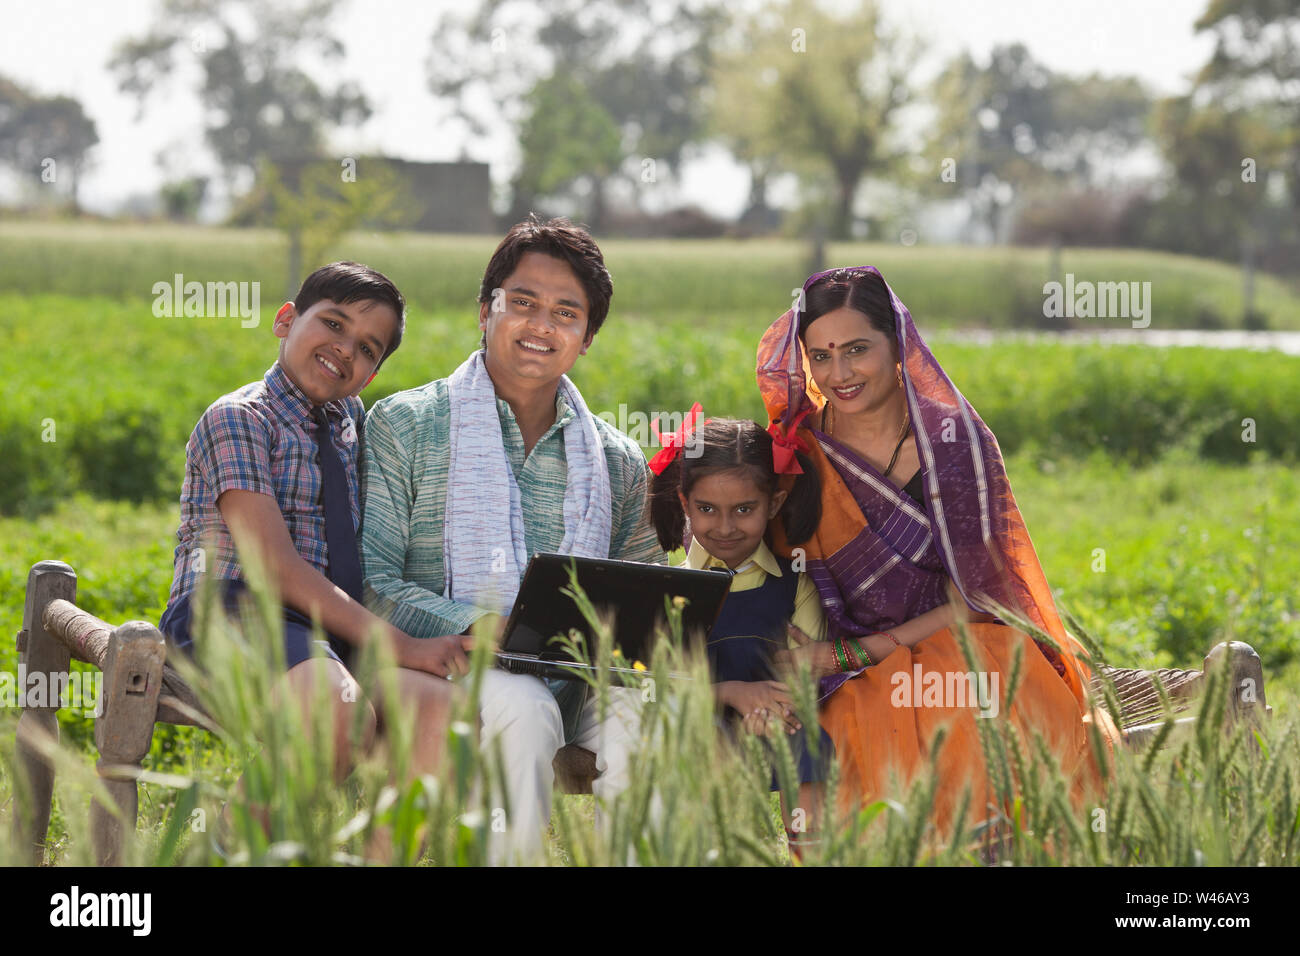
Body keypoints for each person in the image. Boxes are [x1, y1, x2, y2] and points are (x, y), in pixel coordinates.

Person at [757, 265, 1116, 836]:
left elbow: (979, 594)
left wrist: (862, 654)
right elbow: (768, 566)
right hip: (835, 666)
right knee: (845, 757)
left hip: (963, 641)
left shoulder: (954, 443)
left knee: (977, 730)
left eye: (857, 350)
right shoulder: (796, 450)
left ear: (897, 344)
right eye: (820, 356)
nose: (840, 373)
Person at [360, 215, 665, 864]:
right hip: (451, 665)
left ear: (587, 338)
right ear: (484, 311)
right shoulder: (408, 425)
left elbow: (647, 596)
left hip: (583, 675)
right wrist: (481, 624)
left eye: (565, 313)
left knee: (644, 724)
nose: (540, 326)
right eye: (521, 303)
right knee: (523, 707)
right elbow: (373, 582)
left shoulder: (615, 461)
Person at [158, 261, 458, 790]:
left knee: (441, 710)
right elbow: (272, 566)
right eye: (334, 324)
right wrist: (400, 645)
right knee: (336, 712)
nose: (346, 348)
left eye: (368, 348)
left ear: (373, 372)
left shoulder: (353, 424)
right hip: (233, 607)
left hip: (328, 628)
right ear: (286, 320)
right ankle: (231, 848)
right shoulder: (240, 418)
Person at [645, 411, 833, 855]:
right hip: (696, 719)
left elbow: (804, 672)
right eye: (707, 509)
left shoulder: (795, 585)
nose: (726, 527)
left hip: (773, 721)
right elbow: (653, 686)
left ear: (774, 505)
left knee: (808, 741)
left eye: (744, 510)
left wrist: (772, 707)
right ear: (684, 503)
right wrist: (729, 693)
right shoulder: (665, 589)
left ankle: (813, 855)